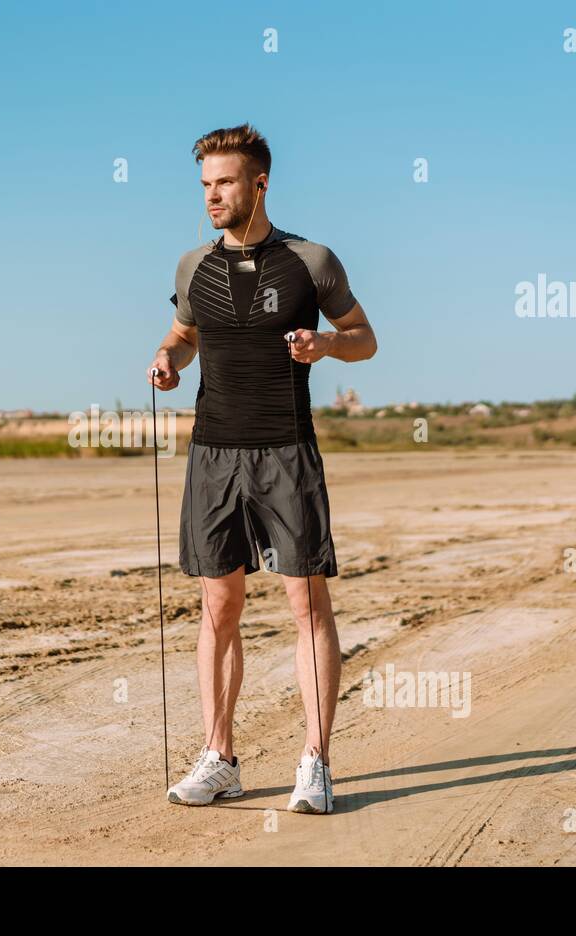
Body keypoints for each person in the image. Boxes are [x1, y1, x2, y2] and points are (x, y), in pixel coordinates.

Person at [148, 123, 377, 813]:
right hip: (213, 453)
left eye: (224, 183)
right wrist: (166, 360)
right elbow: (183, 335)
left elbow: (366, 339)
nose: (212, 196)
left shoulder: (311, 261)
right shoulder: (193, 267)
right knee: (219, 606)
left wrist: (327, 345)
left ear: (259, 184)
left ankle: (316, 760)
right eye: (205, 185)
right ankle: (220, 757)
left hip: (286, 450)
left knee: (305, 603)